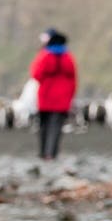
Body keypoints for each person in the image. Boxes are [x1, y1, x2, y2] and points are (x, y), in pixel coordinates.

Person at [30, 28, 77, 159]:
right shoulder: (68, 57)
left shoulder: (45, 55)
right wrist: (71, 95)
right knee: (56, 127)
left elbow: (36, 74)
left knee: (43, 126)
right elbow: (73, 79)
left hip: (45, 98)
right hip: (62, 100)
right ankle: (52, 153)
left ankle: (43, 153)